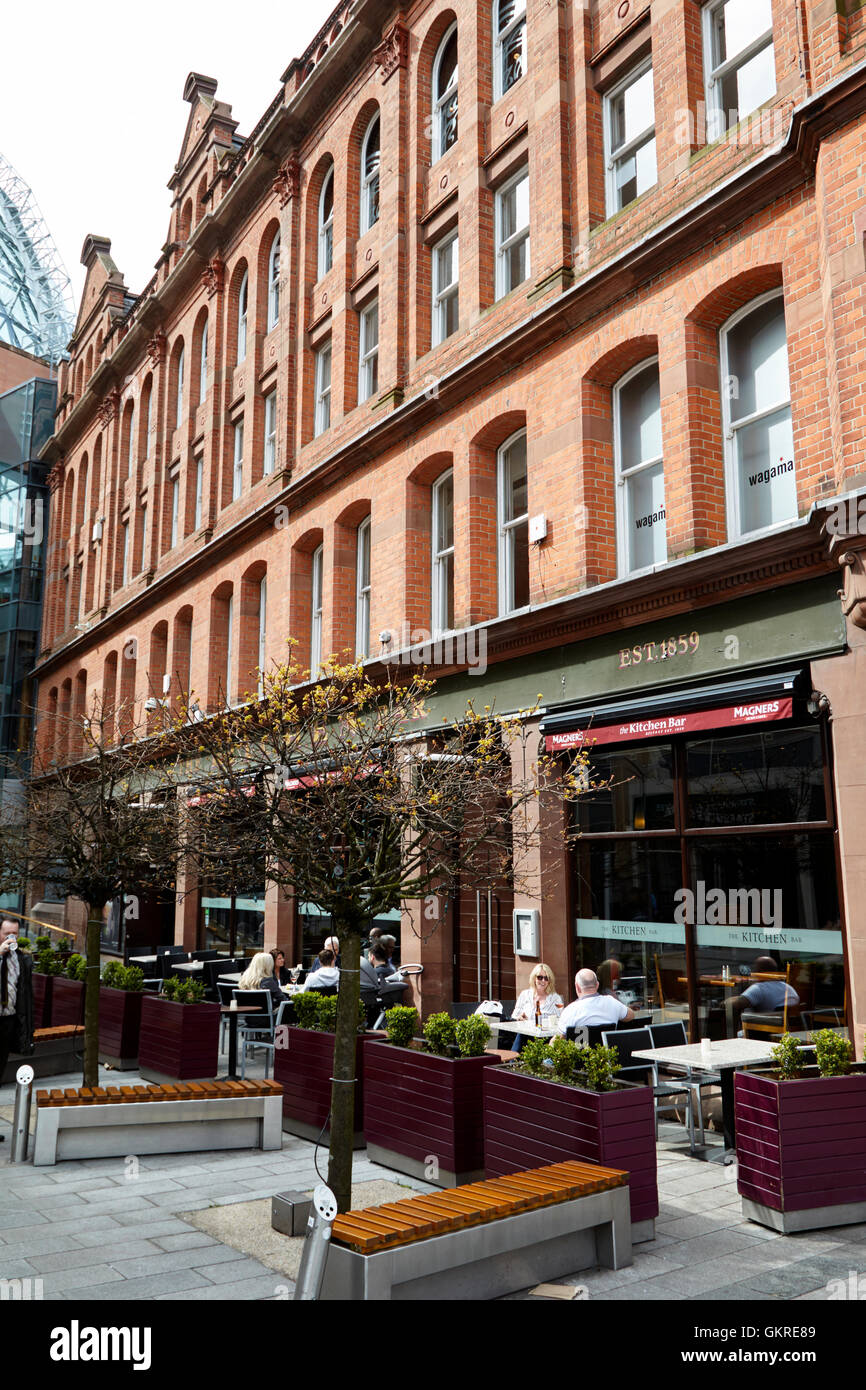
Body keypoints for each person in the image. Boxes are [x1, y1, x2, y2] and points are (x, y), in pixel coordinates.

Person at [0, 919, 34, 1127]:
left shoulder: (20, 959)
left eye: (15, 934)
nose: (11, 938)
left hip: (8, 1020)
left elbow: (24, 993)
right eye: (7, 933)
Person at [557, 968, 635, 1033]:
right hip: (607, 1051)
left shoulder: (570, 1010)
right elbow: (631, 1015)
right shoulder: (611, 1002)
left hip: (581, 1051)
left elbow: (558, 1040)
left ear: (577, 987)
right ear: (597, 985)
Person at [731, 956, 799, 1030]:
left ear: (759, 971)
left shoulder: (759, 988)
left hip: (764, 1033)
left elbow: (735, 1004)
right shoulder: (788, 987)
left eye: (755, 970)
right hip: (790, 1033)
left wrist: (724, 1002)